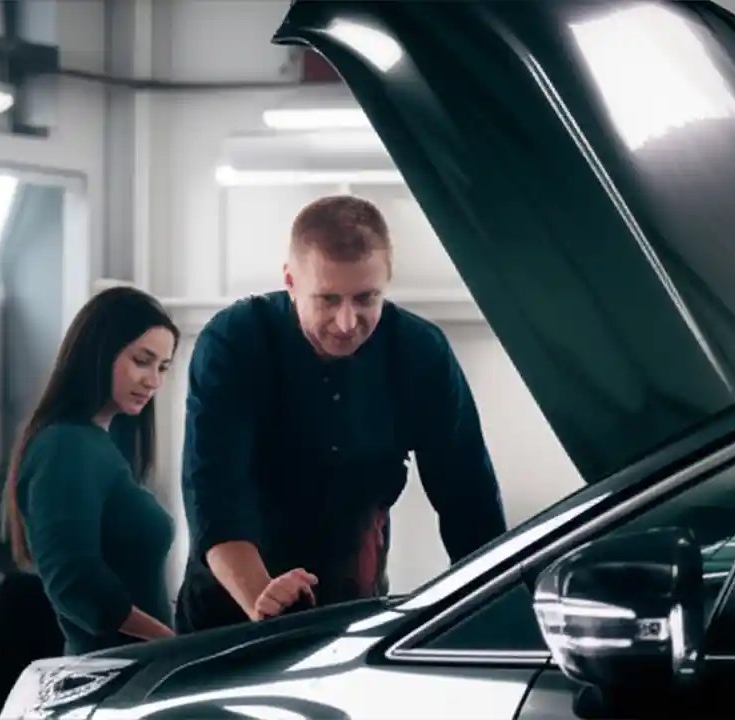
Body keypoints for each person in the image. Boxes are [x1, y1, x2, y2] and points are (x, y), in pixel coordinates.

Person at [176, 195, 506, 631]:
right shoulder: (234, 343)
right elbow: (216, 497)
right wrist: (264, 603)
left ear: (387, 281)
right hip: (231, 613)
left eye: (366, 298)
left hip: (354, 608)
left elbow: (469, 500)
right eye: (327, 299)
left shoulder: (421, 352)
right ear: (290, 282)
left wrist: (496, 610)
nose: (347, 322)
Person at [3, 286, 180, 655]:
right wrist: (172, 644)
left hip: (137, 670)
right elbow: (76, 584)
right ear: (100, 352)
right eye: (142, 360)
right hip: (115, 677)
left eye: (162, 367)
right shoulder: (65, 447)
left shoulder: (100, 446)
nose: (154, 381)